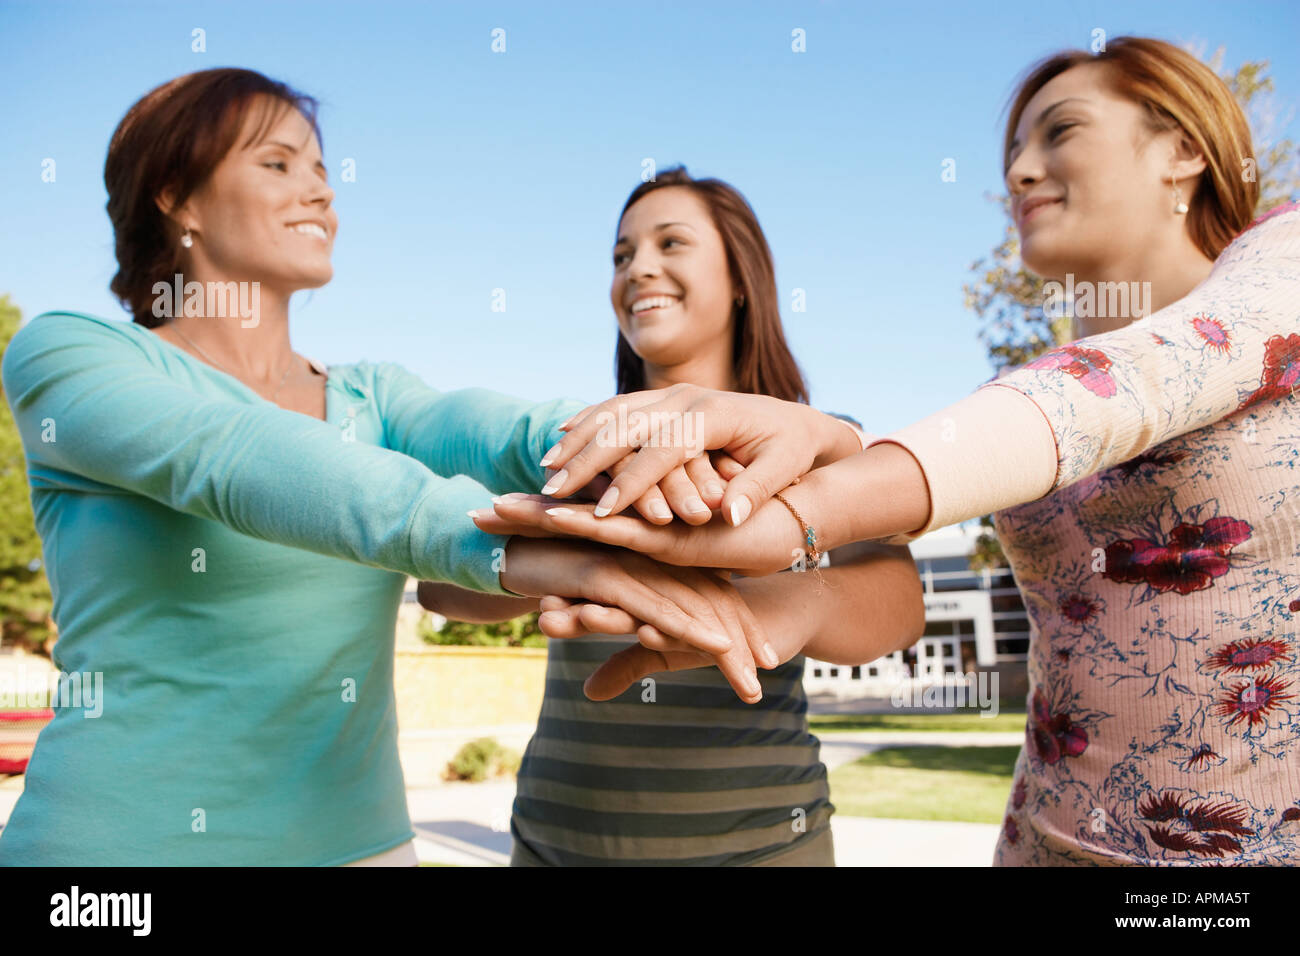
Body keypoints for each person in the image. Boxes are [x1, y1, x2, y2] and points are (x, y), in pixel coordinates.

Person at [479, 37, 1300, 864]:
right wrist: (579, 554)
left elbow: (1122, 387)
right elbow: (457, 575)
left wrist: (801, 517)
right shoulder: (575, 439)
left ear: (1185, 149)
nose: (1017, 172)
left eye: (1059, 132)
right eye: (1012, 149)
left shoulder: (1282, 262)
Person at [0, 68, 803, 866]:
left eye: (322, 171)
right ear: (175, 195)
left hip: (363, 848)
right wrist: (522, 551)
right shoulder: (71, 355)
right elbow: (232, 457)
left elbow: (506, 432)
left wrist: (646, 444)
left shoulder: (372, 398)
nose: (321, 193)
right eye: (278, 164)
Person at [428, 167, 923, 865]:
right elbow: (438, 584)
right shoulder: (571, 441)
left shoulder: (818, 440)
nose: (639, 269)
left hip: (759, 847)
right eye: (622, 255)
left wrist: (783, 605)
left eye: (671, 243)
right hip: (553, 842)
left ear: (741, 277)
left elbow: (901, 608)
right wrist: (576, 554)